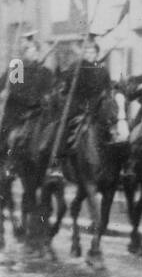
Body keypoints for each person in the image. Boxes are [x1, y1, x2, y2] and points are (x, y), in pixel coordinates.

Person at [49, 34, 114, 180]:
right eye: (87, 52)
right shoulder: (76, 67)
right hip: (77, 107)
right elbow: (65, 84)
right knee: (63, 128)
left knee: (115, 130)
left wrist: (107, 98)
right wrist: (70, 77)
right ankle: (56, 164)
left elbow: (108, 88)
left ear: (97, 54)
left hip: (96, 108)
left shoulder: (103, 70)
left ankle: (116, 165)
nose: (90, 55)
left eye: (93, 52)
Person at [0, 31, 54, 170]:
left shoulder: (45, 72)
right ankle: (8, 163)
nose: (34, 53)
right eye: (30, 50)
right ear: (24, 53)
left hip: (39, 113)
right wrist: (2, 93)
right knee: (10, 134)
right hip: (18, 112)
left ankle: (55, 168)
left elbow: (51, 90)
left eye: (36, 50)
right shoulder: (17, 69)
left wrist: (48, 97)